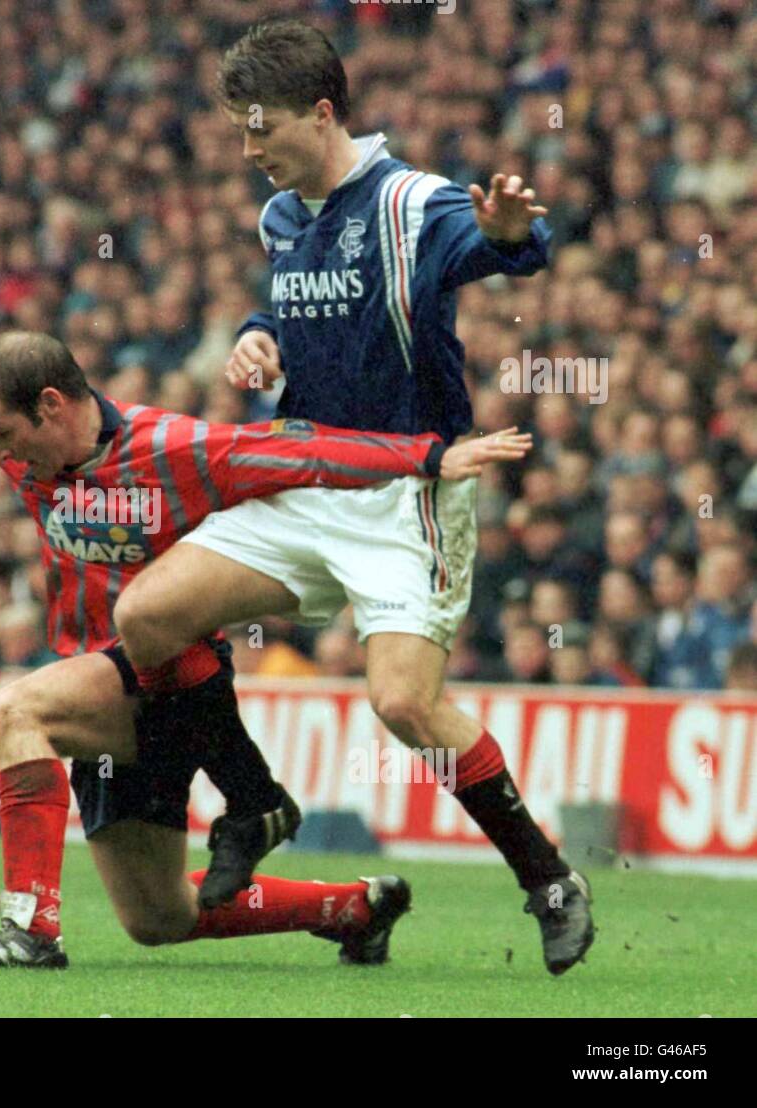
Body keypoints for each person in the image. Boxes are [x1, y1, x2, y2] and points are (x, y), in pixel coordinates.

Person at [0, 251, 530, 967]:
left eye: (7, 435)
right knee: (157, 917)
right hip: (106, 683)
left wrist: (427, 457)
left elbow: (304, 451)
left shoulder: (176, 449)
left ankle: (27, 931)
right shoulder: (12, 435)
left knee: (17, 711)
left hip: (170, 673)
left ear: (52, 406)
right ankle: (355, 906)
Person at [111, 18, 593, 976]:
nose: (248, 150)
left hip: (406, 496)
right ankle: (255, 804)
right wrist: (259, 334)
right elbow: (298, 299)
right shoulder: (282, 215)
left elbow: (498, 242)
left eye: (261, 129)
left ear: (322, 113)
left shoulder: (413, 202)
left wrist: (510, 232)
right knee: (147, 614)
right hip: (305, 479)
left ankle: (547, 877)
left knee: (404, 706)